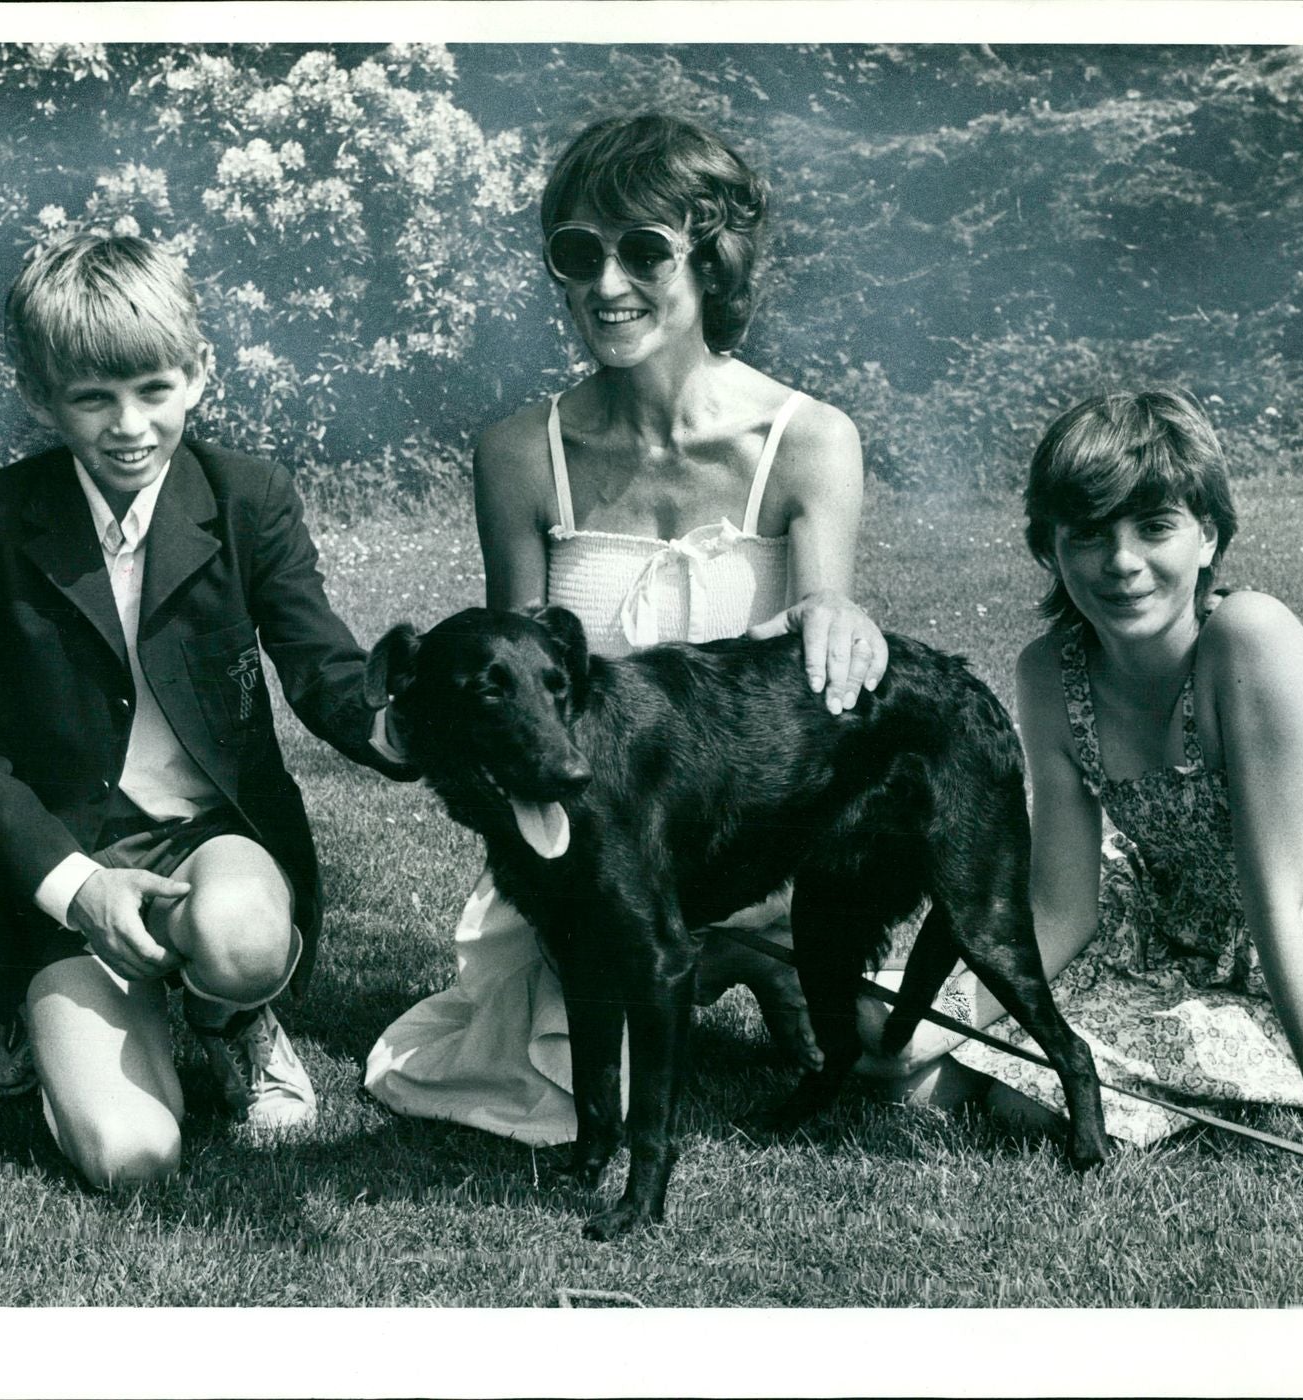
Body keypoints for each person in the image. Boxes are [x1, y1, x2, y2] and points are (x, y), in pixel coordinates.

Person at [364, 112, 918, 1144]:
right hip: (597, 851)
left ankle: (765, 954)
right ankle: (693, 974)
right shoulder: (520, 454)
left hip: (753, 839)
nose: (606, 283)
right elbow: (516, 699)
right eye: (578, 253)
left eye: (644, 250)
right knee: (547, 1085)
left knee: (900, 1062)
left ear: (709, 257)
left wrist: (838, 614)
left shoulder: (809, 440)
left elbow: (815, 681)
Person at [868, 387, 1303, 1194]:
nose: (1121, 562)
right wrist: (934, 1026)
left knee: (1027, 1105)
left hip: (1278, 959)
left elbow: (1282, 905)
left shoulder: (1252, 639)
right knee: (899, 1063)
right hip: (1149, 921)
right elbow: (1062, 909)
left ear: (1209, 537)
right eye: (1088, 534)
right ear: (1049, 547)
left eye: (1154, 528)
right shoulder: (1050, 672)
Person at [0, 232, 412, 1188]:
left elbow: (320, 661)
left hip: (211, 844)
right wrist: (77, 888)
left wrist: (397, 725)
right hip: (69, 858)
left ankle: (232, 1017)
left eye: (153, 389)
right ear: (40, 397)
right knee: (135, 1159)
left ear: (199, 373)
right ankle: (37, 1013)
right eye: (92, 398)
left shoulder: (249, 497)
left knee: (242, 940)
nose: (129, 425)